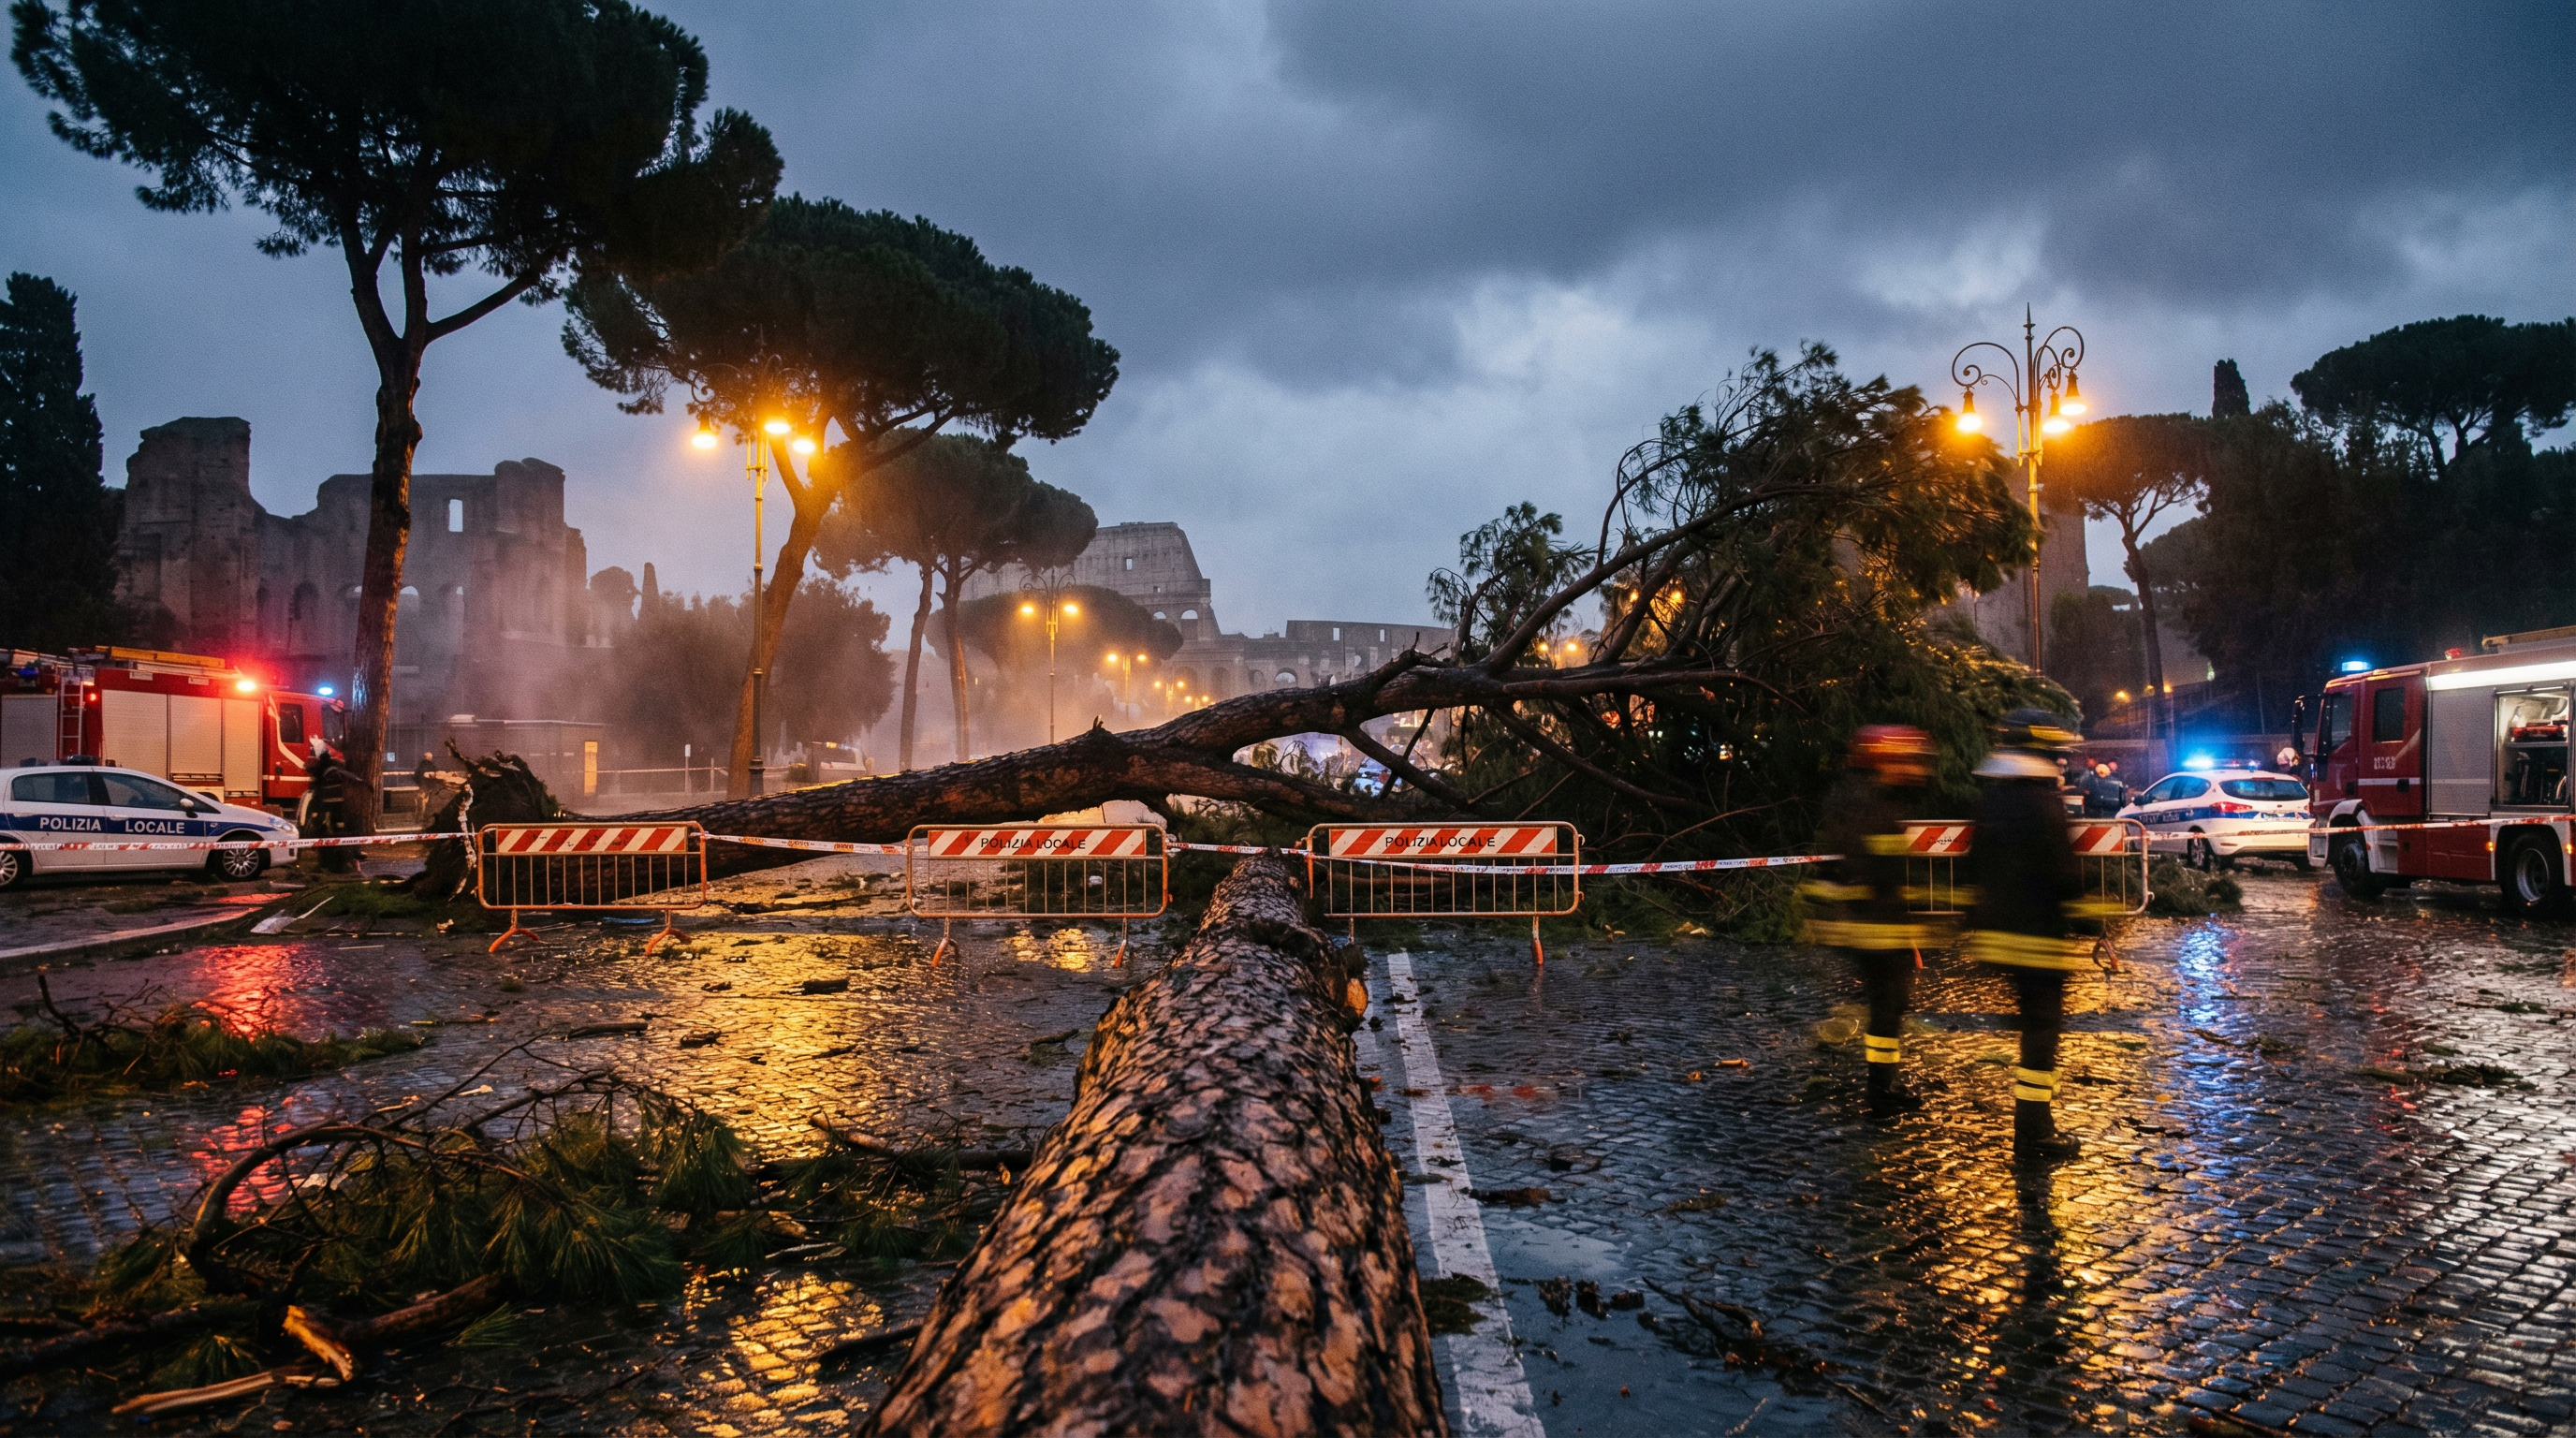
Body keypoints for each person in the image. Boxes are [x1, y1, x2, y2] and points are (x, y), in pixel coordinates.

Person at [1962, 708, 2105, 1166]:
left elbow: (1974, 862)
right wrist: (2090, 917)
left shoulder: (1992, 798)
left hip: (1998, 933)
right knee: (2041, 1035)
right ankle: (2035, 1133)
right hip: (2037, 938)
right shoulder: (2043, 803)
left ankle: (2033, 1128)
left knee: (2031, 1029)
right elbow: (2062, 872)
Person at [1804, 724, 1937, 1116]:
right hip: (1874, 929)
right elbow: (1871, 869)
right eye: (1908, 760)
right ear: (1887, 760)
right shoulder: (1873, 803)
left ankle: (1882, 1085)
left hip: (1877, 926)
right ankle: (1880, 1091)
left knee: (1889, 1007)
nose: (1916, 768)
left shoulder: (1871, 798)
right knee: (1888, 1006)